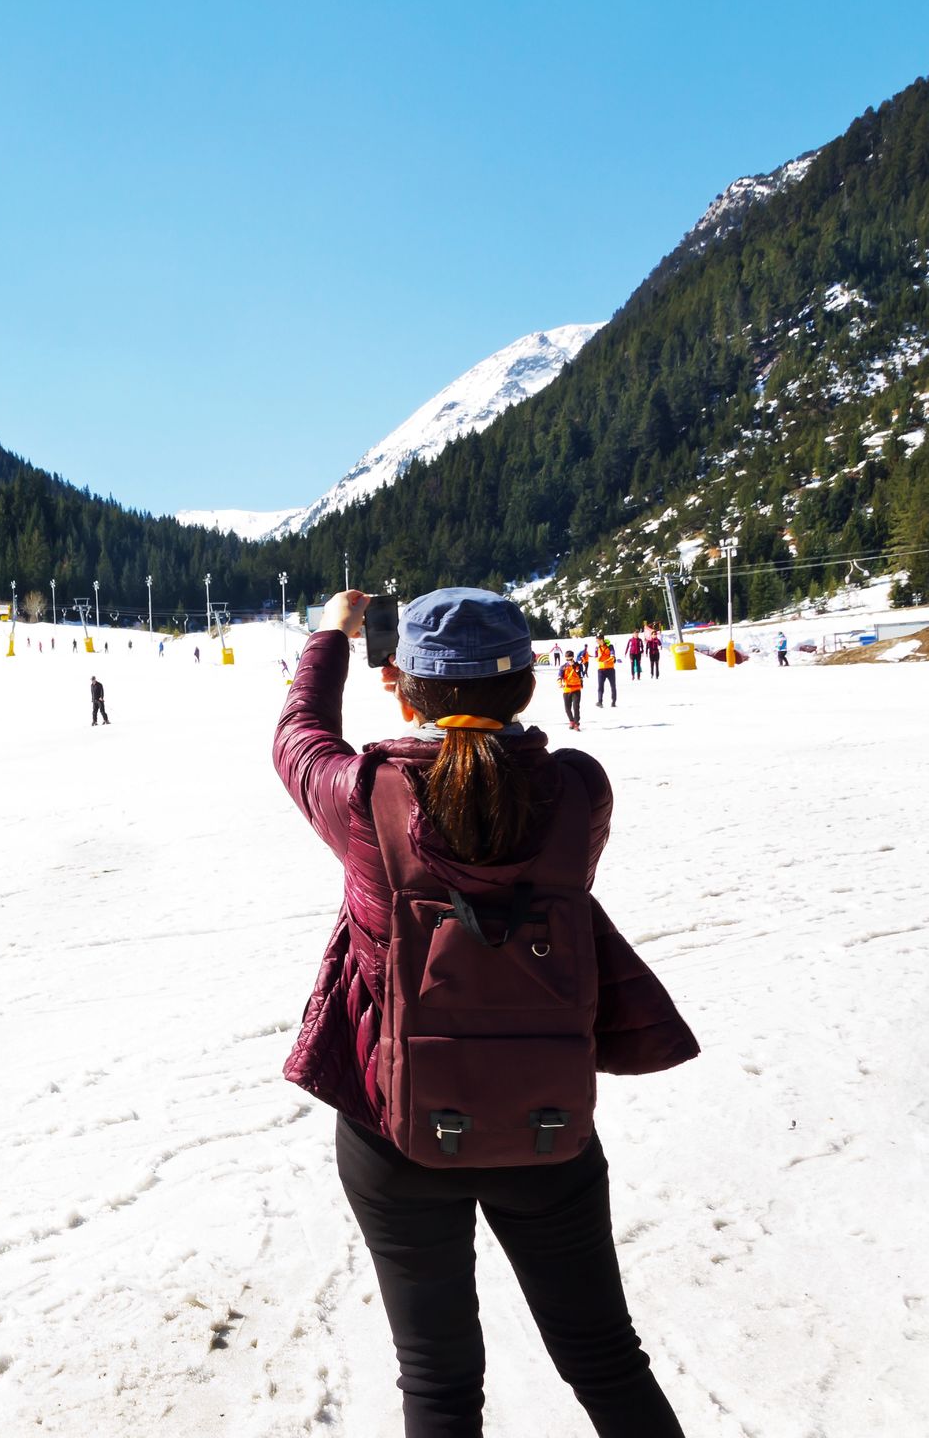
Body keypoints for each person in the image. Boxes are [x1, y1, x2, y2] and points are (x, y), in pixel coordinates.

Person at [275, 586, 697, 1436]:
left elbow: (297, 738)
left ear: (401, 688)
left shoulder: (367, 793)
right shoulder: (577, 790)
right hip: (544, 1120)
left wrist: (329, 635)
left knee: (436, 1380)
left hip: (393, 1123)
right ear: (527, 685)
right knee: (605, 1359)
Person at [558, 653, 585, 731]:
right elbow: (559, 676)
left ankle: (576, 724)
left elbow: (581, 674)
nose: (568, 660)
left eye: (570, 659)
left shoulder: (578, 665)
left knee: (576, 707)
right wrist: (560, 683)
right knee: (567, 708)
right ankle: (571, 721)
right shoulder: (563, 667)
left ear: (573, 657)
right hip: (567, 690)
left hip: (576, 689)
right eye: (567, 659)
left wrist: (575, 666)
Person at [594, 637, 618, 708]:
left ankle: (613, 702)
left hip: (610, 669)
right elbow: (596, 658)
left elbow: (612, 657)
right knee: (600, 686)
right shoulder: (597, 648)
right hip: (601, 670)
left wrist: (606, 661)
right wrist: (599, 658)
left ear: (601, 640)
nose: (596, 642)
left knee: (613, 686)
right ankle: (600, 702)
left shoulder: (610, 646)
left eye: (597, 640)